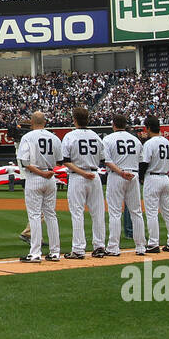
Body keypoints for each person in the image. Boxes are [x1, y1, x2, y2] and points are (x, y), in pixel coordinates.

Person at [17, 112, 62, 263]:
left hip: (35, 177)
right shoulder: (54, 137)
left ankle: (35, 253)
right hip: (50, 177)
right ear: (45, 122)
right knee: (51, 215)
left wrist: (41, 173)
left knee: (35, 215)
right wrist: (47, 172)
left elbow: (25, 162)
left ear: (32, 122)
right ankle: (55, 252)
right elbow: (59, 160)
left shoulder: (28, 137)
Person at [60, 106, 104, 259]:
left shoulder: (70, 136)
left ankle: (78, 249)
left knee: (77, 213)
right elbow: (103, 158)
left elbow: (65, 161)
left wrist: (82, 172)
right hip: (94, 175)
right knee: (97, 213)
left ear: (74, 119)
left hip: (78, 176)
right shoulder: (96, 136)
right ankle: (99, 246)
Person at [103, 114, 147, 256]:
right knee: (136, 212)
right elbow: (141, 160)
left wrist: (121, 172)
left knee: (115, 212)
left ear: (113, 124)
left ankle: (113, 247)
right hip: (133, 174)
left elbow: (107, 161)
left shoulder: (108, 139)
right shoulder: (135, 140)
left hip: (117, 175)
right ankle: (141, 246)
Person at [141, 117, 169, 250]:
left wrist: (141, 177)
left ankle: (153, 243)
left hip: (153, 177)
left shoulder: (149, 143)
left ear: (148, 128)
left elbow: (144, 163)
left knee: (152, 212)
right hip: (165, 177)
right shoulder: (167, 142)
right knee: (168, 211)